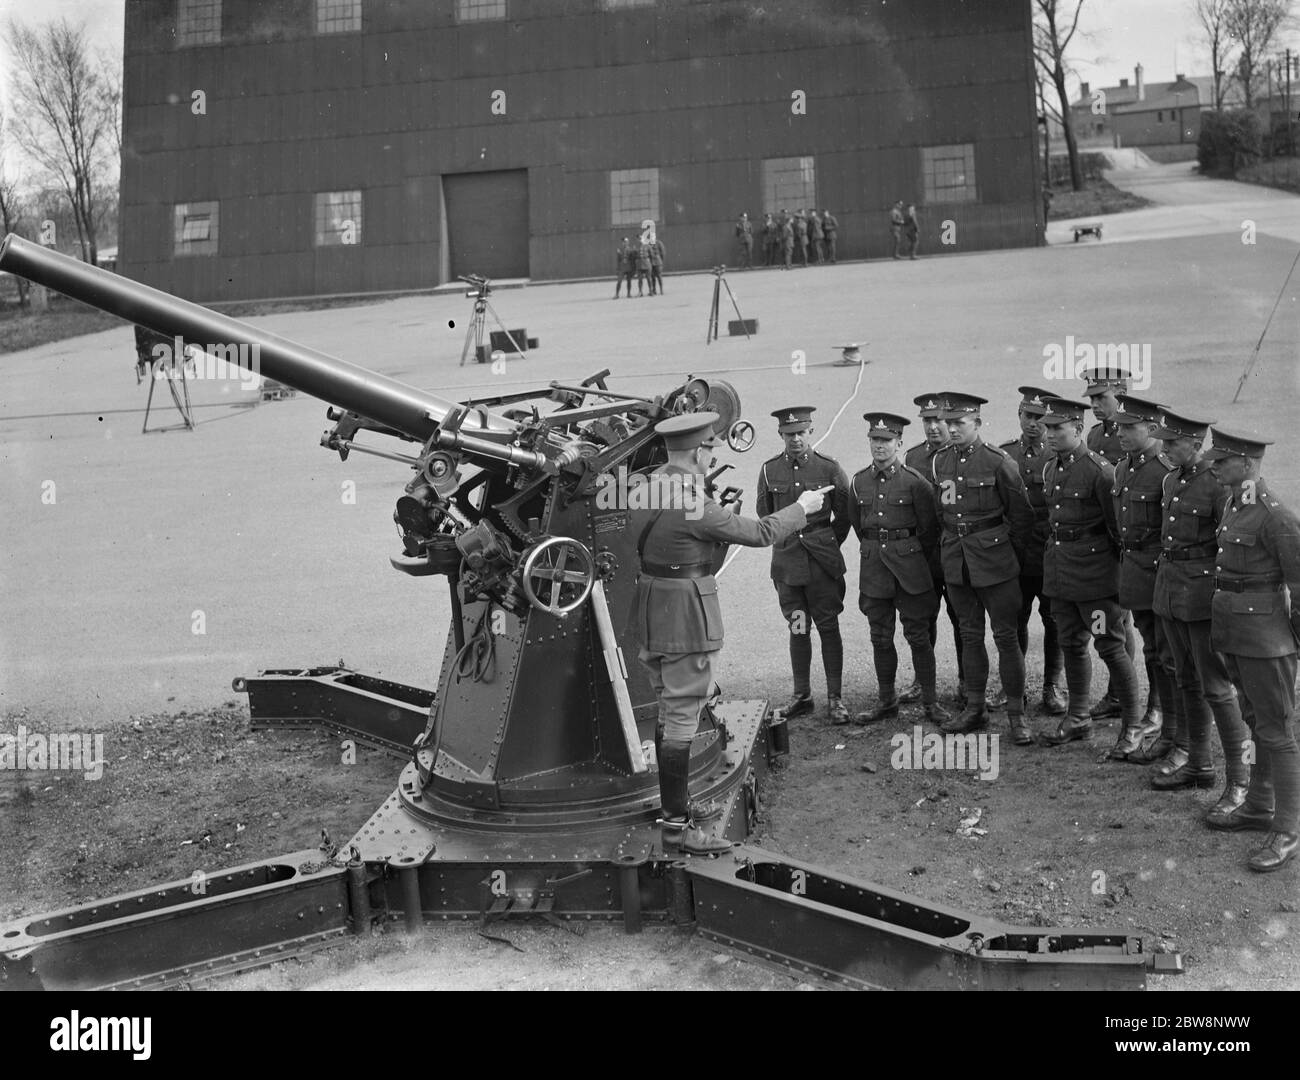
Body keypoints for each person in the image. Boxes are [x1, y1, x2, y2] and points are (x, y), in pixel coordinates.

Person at [632, 411, 830, 854]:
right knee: (683, 714)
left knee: (668, 711)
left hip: (650, 609)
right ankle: (677, 827)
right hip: (684, 617)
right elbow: (759, 533)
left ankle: (676, 805)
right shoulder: (693, 502)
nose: (710, 458)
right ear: (698, 452)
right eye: (709, 451)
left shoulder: (643, 488)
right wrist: (803, 509)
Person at [1204, 427, 1300, 871]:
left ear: (1247, 463)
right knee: (1255, 721)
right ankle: (1258, 806)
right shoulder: (1232, 503)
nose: (1214, 466)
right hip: (1236, 632)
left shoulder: (1275, 515)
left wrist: (1292, 645)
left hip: (1267, 639)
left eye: (1222, 461)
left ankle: (1288, 828)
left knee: (1277, 732)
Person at [1149, 408, 1251, 811]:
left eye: (1173, 442)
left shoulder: (1215, 484)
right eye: (1165, 440)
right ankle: (1200, 763)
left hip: (1202, 595)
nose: (1166, 447)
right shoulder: (1172, 478)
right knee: (1184, 678)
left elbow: (1229, 544)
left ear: (1195, 443)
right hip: (1171, 591)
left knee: (1217, 687)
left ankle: (1239, 782)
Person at [1036, 396, 1142, 751]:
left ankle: (1132, 725)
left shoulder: (1100, 472)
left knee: (1110, 646)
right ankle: (1078, 718)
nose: (1049, 434)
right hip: (1061, 574)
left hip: (1094, 578)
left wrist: (1112, 580)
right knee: (1071, 643)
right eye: (1047, 428)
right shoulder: (1051, 467)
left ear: (1078, 429)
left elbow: (1118, 532)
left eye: (1057, 428)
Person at [931, 392, 1034, 737]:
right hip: (957, 561)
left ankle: (1017, 716)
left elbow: (1021, 517)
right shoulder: (940, 461)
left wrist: (1006, 555)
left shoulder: (998, 462)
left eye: (960, 423)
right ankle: (975, 708)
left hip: (995, 561)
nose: (953, 429)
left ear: (978, 423)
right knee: (969, 635)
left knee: (1006, 636)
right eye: (949, 423)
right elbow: (940, 512)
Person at [756, 406, 852, 725]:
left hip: (822, 566)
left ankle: (835, 698)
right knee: (798, 627)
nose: (795, 439)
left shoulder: (829, 468)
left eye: (801, 433)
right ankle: (802, 695)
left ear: (811, 432)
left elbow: (846, 513)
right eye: (789, 434)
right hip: (788, 568)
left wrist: (826, 541)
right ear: (780, 435)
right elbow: (765, 514)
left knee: (828, 627)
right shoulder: (770, 471)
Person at [850, 412, 948, 726]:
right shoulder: (858, 481)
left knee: (918, 636)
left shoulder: (915, 482)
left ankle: (931, 703)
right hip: (874, 571)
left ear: (899, 443)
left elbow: (929, 529)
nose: (880, 446)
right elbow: (858, 525)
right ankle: (886, 701)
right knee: (880, 636)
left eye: (887, 440)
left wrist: (904, 551)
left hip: (910, 570)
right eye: (875, 440)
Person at [1111, 395, 1179, 764]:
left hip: (1161, 572)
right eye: (1119, 426)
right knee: (1152, 649)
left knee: (1169, 654)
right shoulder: (1123, 468)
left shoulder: (1166, 470)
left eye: (1128, 427)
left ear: (1152, 429)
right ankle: (1163, 720)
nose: (1119, 433)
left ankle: (1173, 730)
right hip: (1135, 570)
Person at [997, 387, 1066, 722]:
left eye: (1042, 418)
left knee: (1054, 620)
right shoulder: (1005, 454)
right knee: (1016, 618)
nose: (1034, 424)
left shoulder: (1057, 455)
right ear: (1019, 416)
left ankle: (1052, 685)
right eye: (1029, 416)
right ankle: (1015, 685)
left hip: (1050, 551)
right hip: (1016, 553)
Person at [1080, 362, 1138, 723]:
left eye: (1102, 397)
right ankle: (1118, 693)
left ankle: (1126, 696)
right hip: (1106, 536)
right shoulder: (1096, 435)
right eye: (1092, 398)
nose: (1095, 404)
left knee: (1123, 620)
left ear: (1122, 394)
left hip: (1129, 535)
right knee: (1117, 619)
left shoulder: (1136, 432)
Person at [904, 393, 964, 706]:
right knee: (922, 619)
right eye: (926, 421)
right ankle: (921, 680)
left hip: (955, 550)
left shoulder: (960, 456)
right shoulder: (912, 458)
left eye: (938, 420)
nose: (932, 427)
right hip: (924, 554)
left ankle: (966, 681)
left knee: (961, 618)